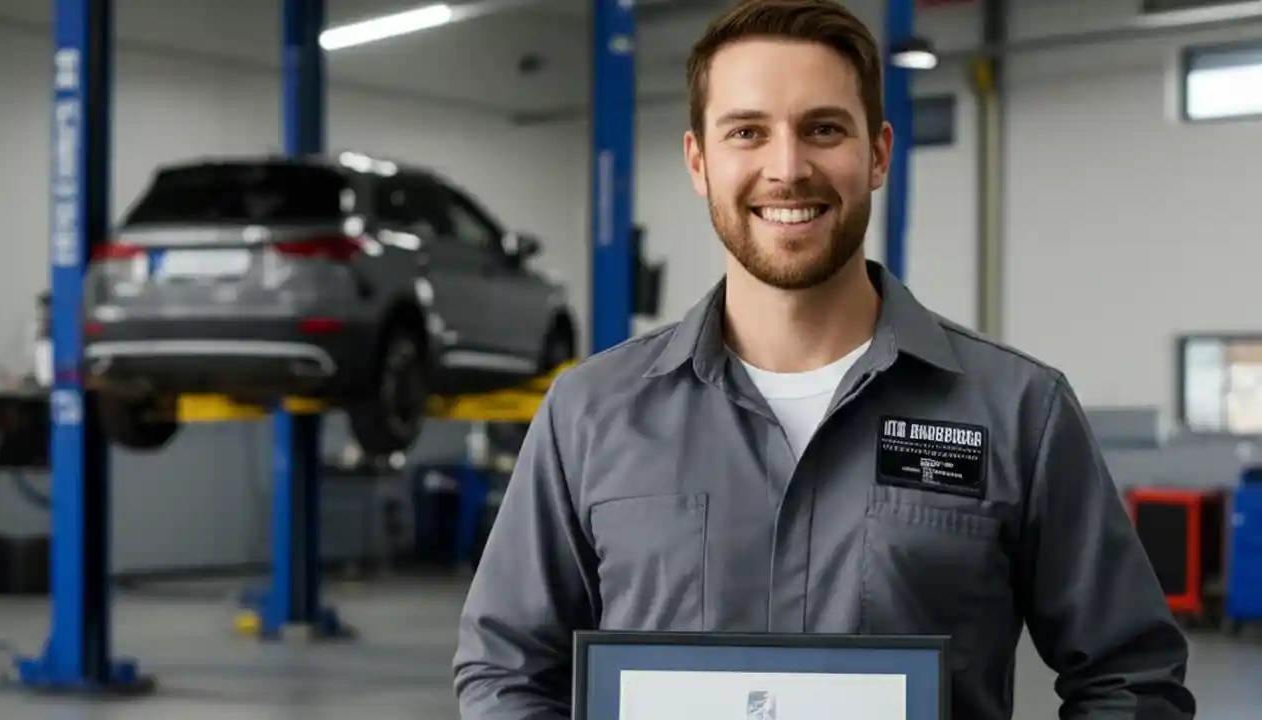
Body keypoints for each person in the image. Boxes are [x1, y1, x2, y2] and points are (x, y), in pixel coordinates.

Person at [453, 1, 1196, 718]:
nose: (788, 168)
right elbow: (506, 667)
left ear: (876, 154)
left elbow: (1131, 677)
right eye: (747, 131)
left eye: (823, 129)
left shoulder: (1017, 412)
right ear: (698, 160)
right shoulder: (591, 413)